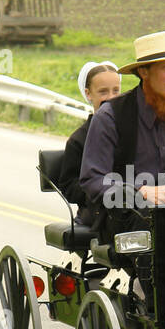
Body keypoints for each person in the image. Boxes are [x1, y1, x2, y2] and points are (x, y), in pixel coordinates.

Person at [78, 30, 165, 235]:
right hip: (124, 215)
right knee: (151, 224)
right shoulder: (110, 116)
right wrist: (140, 191)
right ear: (144, 72)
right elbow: (93, 178)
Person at [56, 60, 122, 216]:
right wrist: (102, 191)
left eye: (115, 91)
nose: (110, 97)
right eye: (103, 92)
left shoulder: (133, 131)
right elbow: (69, 186)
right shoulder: (78, 140)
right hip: (97, 211)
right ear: (88, 93)